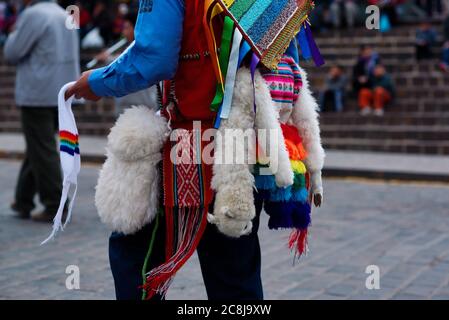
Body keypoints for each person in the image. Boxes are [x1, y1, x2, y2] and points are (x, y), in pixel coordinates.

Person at [66, 0, 324, 301]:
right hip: (246, 143)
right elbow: (281, 62)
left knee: (135, 255)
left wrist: (98, 82)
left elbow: (155, 58)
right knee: (234, 270)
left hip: (191, 143)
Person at [3, 0, 80, 221]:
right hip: (60, 91)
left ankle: (55, 203)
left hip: (37, 92)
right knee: (39, 146)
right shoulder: (64, 13)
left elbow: (12, 52)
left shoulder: (33, 14)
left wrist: (11, 34)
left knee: (42, 148)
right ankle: (23, 199)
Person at [94, 11, 157, 115]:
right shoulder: (126, 51)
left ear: (136, 28)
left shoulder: (147, 49)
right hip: (124, 108)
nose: (124, 32)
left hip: (144, 108)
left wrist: (107, 59)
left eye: (127, 28)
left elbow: (127, 63)